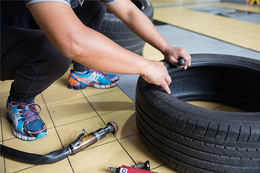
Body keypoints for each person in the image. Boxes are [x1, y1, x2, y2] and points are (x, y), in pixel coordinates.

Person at [1, 0, 191, 141]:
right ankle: (19, 100)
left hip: (26, 19)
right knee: (55, 51)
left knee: (93, 5)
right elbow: (72, 42)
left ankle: (81, 73)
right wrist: (145, 66)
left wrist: (166, 48)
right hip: (6, 31)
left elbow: (129, 11)